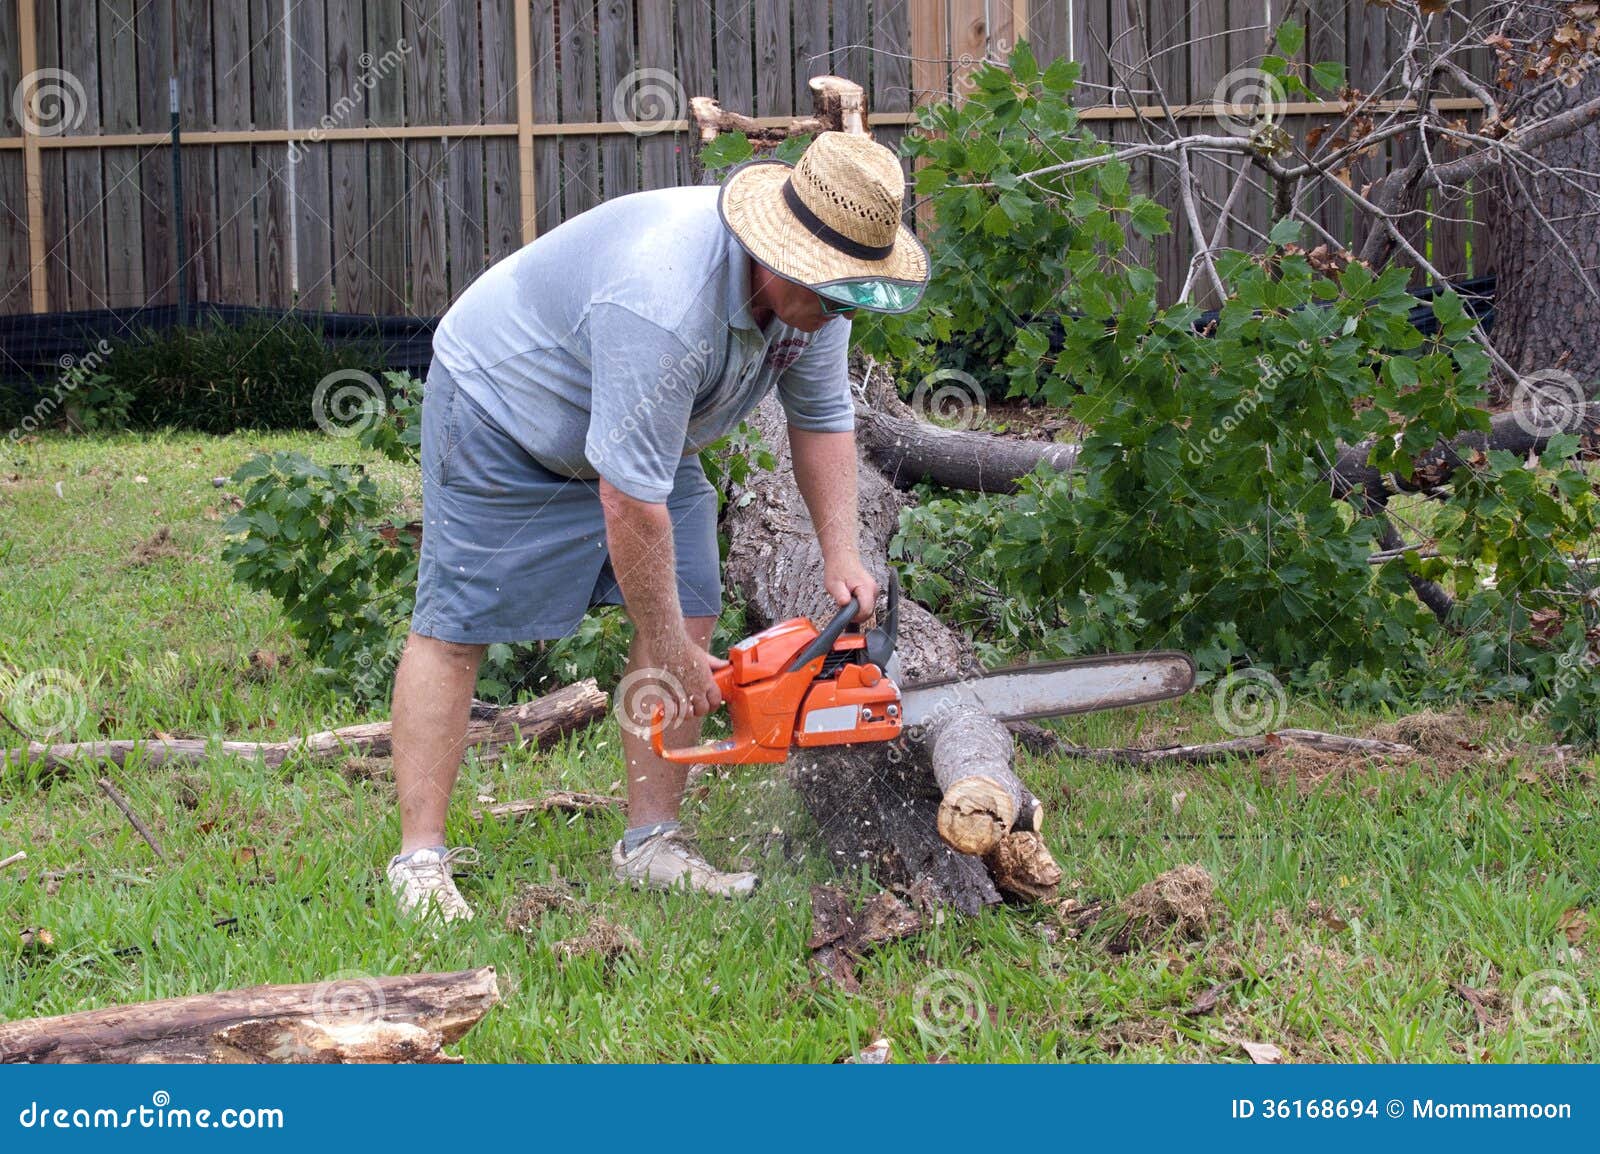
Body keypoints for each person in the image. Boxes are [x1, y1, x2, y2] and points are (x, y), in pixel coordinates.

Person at [385, 131, 930, 922]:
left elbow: (821, 419)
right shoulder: (666, 302)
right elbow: (628, 502)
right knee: (457, 624)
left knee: (691, 594)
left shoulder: (818, 299)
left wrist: (840, 556)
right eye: (833, 295)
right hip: (506, 406)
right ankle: (420, 859)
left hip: (644, 430)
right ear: (782, 256)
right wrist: (671, 650)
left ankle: (651, 843)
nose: (838, 314)